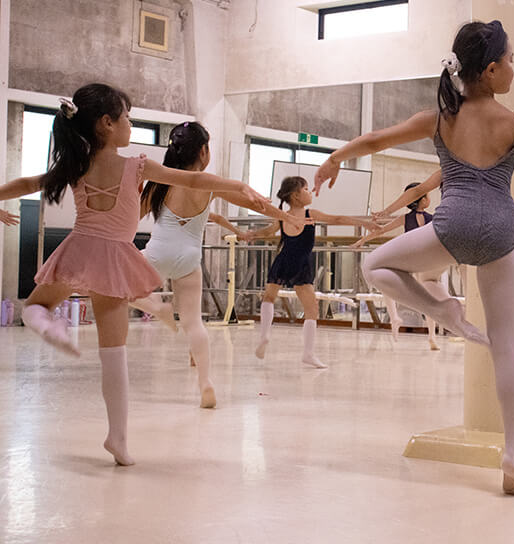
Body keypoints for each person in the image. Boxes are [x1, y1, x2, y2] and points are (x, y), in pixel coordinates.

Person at [312, 20, 514, 495]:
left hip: (453, 227)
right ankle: (513, 455)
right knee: (507, 346)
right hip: (505, 233)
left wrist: (335, 158)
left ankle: (442, 311)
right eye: (510, 60)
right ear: (490, 70)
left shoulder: (438, 118)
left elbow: (376, 140)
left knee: (375, 265)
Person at [17, 84, 268, 465]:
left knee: (34, 308)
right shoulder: (136, 165)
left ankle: (48, 326)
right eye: (128, 117)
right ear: (107, 124)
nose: (130, 124)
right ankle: (118, 439)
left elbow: (26, 185)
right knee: (113, 355)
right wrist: (237, 185)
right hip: (116, 259)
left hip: (82, 248)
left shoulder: (75, 164)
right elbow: (195, 180)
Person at [130, 121, 304, 408]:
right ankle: (205, 384)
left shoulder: (158, 183)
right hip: (189, 260)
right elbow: (255, 204)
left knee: (115, 288)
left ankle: (156, 308)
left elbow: (130, 218)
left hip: (156, 256)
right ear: (203, 152)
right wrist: (286, 218)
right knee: (193, 323)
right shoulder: (208, 184)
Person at [247, 176, 374, 368]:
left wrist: (251, 235)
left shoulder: (282, 216)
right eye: (306, 189)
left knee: (268, 297)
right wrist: (363, 223)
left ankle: (265, 336)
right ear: (296, 196)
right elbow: (337, 219)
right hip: (301, 263)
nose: (310, 192)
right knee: (311, 308)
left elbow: (267, 231)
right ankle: (308, 353)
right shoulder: (310, 214)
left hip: (283, 259)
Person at [354, 181, 448, 349]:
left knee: (385, 278)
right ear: (422, 200)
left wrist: (363, 240)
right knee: (427, 295)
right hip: (424, 260)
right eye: (427, 196)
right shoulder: (431, 219)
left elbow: (380, 231)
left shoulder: (410, 218)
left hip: (411, 258)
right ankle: (431, 336)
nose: (429, 199)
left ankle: (397, 317)